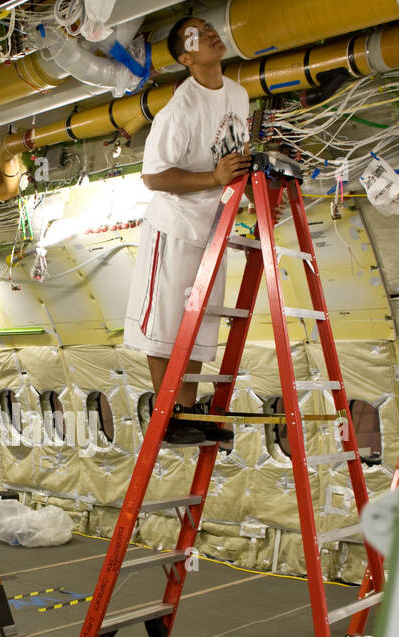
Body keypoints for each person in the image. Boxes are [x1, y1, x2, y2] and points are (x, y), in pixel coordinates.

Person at [125, 16, 251, 444]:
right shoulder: (181, 108)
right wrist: (213, 180)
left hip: (212, 229)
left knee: (198, 324)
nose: (211, 33)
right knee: (166, 323)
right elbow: (154, 177)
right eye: (198, 34)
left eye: (210, 27)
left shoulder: (238, 95)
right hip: (175, 228)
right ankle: (167, 414)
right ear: (185, 57)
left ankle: (190, 409)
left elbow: (237, 152)